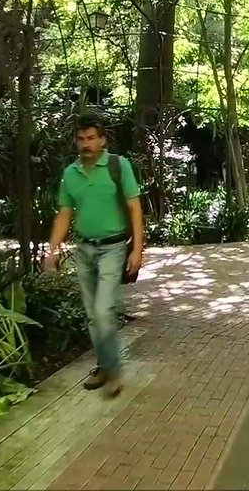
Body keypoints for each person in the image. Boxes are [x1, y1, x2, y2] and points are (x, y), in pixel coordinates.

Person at [44, 113, 144, 397]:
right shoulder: (70, 173)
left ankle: (113, 372)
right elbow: (64, 214)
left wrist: (137, 250)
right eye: (81, 139)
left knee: (103, 311)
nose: (86, 144)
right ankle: (103, 364)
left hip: (113, 248)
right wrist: (52, 250)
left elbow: (135, 208)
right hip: (84, 249)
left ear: (102, 140)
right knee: (92, 315)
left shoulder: (118, 166)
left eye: (91, 138)